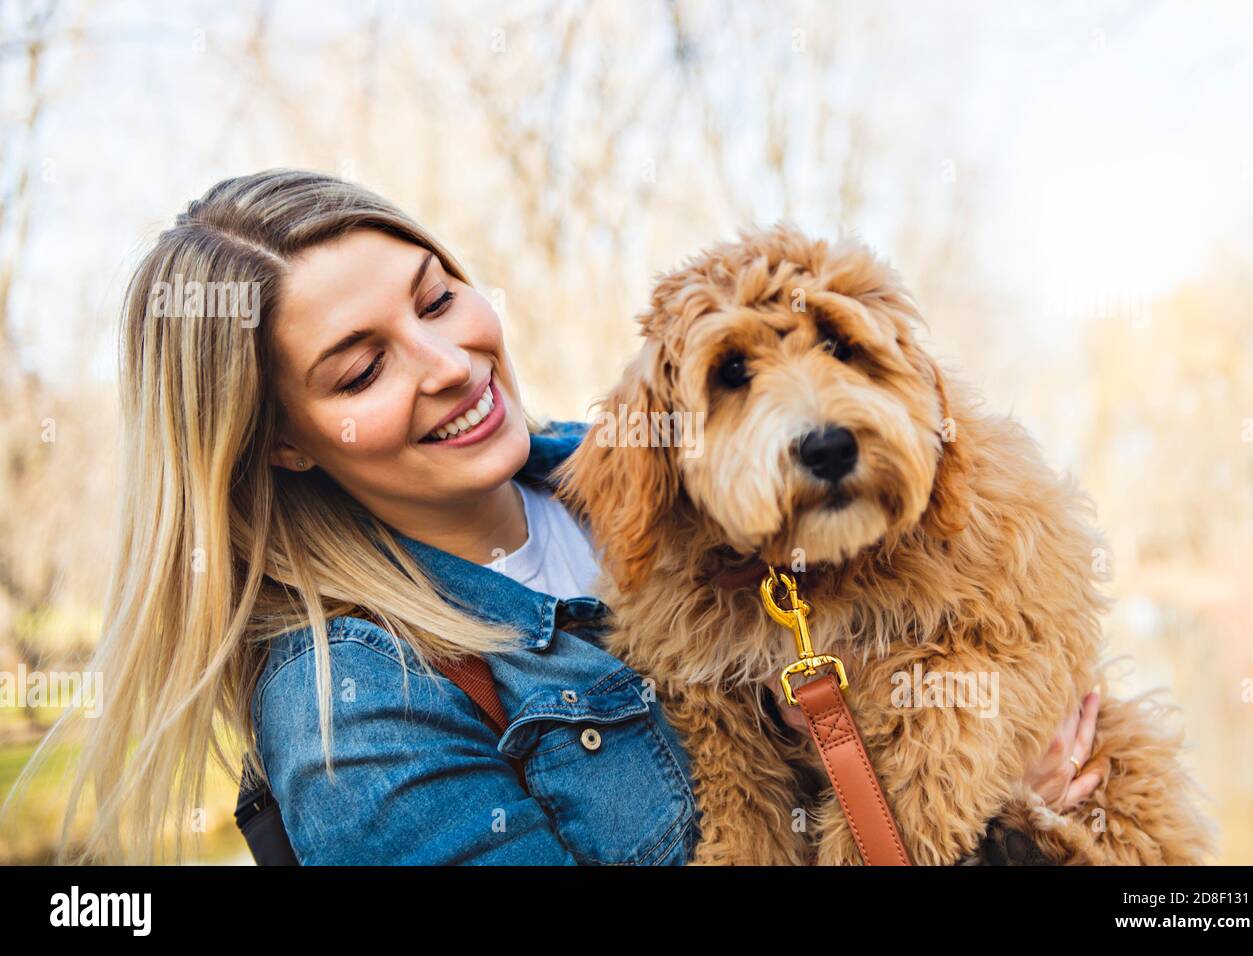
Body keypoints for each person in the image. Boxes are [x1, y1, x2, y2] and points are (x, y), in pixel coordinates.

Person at [21, 169, 1100, 864]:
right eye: (361, 369)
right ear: (283, 442)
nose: (450, 365)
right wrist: (981, 834)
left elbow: (1009, 597)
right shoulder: (354, 708)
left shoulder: (650, 476)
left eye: (438, 298)